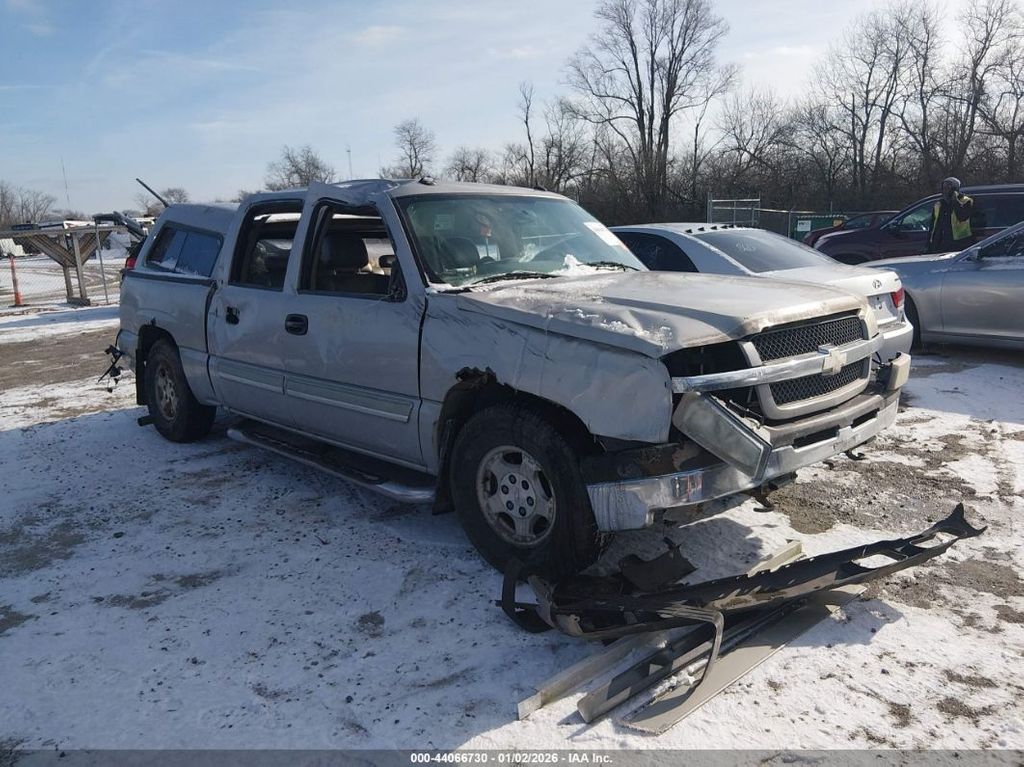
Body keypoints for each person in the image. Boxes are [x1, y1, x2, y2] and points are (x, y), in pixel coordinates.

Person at [928, 177, 974, 253]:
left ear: (955, 189)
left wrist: (954, 200)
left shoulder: (966, 201)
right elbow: (932, 226)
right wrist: (929, 245)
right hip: (940, 245)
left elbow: (962, 217)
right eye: (943, 188)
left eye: (948, 188)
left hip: (958, 244)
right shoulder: (939, 204)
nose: (945, 191)